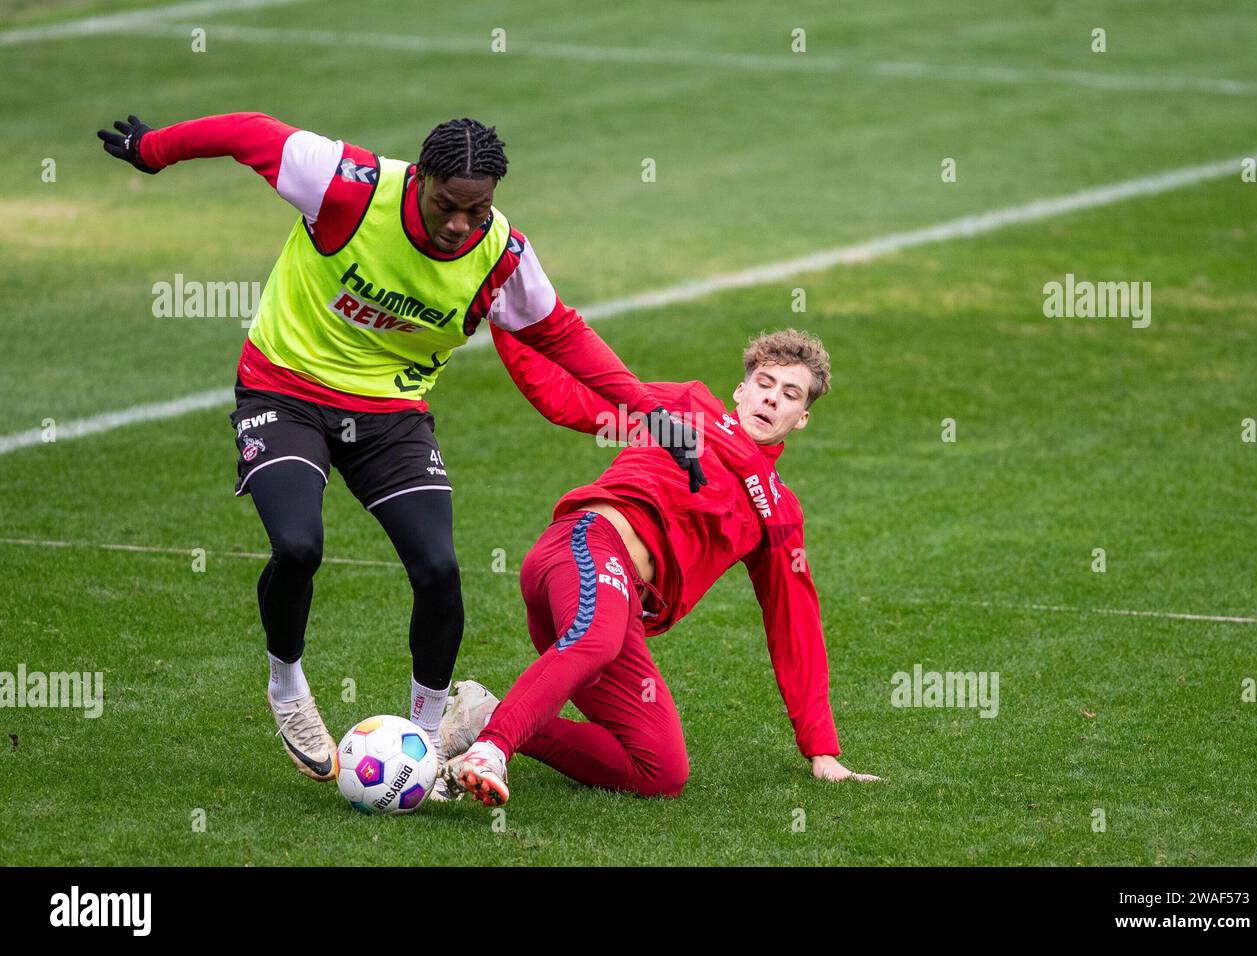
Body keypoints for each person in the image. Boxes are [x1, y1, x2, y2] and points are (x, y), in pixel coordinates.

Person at [97, 112, 704, 791]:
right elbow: (247, 133)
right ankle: (288, 685)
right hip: (285, 388)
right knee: (298, 546)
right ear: (420, 180)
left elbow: (562, 335)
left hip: (391, 416)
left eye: (477, 210)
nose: (459, 224)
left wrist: (651, 412)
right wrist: (153, 151)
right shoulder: (347, 186)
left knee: (439, 570)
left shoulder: (500, 255)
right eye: (448, 205)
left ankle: (425, 734)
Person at [443, 328, 878, 805]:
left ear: (802, 418)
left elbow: (794, 624)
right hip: (584, 548)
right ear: (741, 389)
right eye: (765, 383)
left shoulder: (779, 513)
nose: (772, 399)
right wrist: (507, 319)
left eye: (790, 395)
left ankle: (481, 719)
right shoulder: (686, 408)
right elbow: (567, 398)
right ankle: (491, 749)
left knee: (659, 769)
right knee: (596, 637)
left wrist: (821, 750)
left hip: (617, 610)